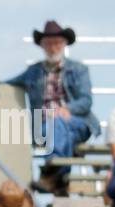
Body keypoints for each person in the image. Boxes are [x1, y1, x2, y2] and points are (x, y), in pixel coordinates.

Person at [8, 20, 100, 194]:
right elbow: (7, 84)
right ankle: (59, 179)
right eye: (49, 43)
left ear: (64, 44)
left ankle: (51, 173)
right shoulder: (33, 72)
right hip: (45, 128)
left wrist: (68, 109)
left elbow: (86, 101)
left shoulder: (79, 69)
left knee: (57, 122)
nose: (53, 47)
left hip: (76, 122)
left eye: (57, 42)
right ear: (42, 45)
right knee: (54, 125)